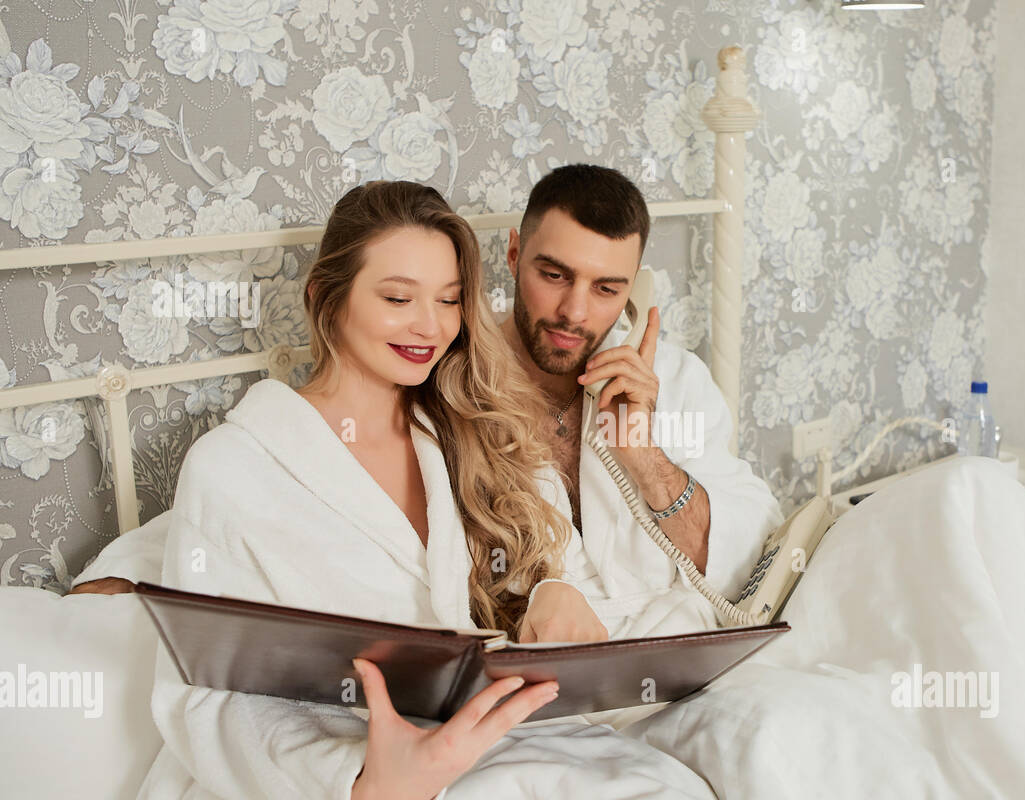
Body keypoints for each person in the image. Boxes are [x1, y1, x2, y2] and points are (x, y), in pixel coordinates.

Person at [117, 180, 740, 800]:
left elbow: (528, 568)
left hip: (485, 749)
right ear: (325, 297)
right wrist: (358, 785)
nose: (430, 327)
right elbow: (206, 695)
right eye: (396, 298)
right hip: (325, 776)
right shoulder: (233, 468)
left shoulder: (466, 430)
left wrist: (549, 592)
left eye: (448, 301)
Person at [71, 165, 783, 643]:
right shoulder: (457, 387)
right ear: (512, 255)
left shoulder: (670, 383)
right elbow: (276, 495)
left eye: (607, 288)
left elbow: (744, 550)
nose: (574, 311)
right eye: (553, 273)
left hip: (660, 653)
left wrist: (642, 454)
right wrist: (130, 572)